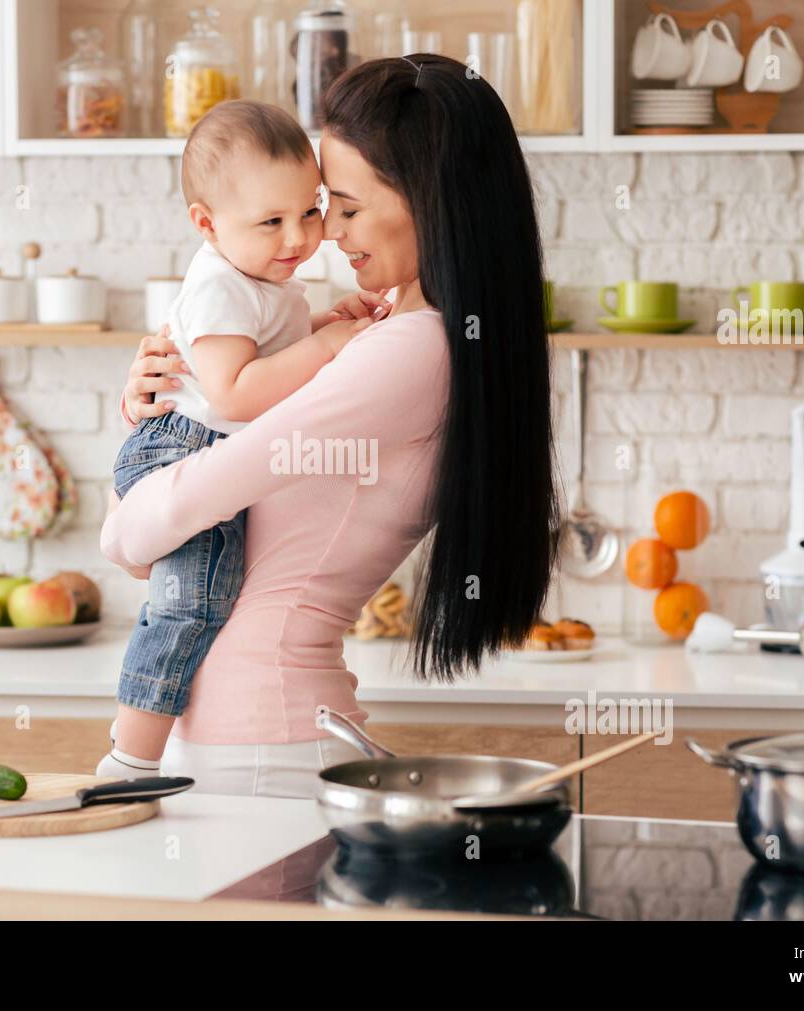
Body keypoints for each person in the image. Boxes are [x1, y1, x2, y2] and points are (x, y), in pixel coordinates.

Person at [101, 55, 558, 797]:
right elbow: (170, 528)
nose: (326, 236)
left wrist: (135, 495)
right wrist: (165, 410)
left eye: (343, 208)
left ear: (429, 200)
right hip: (252, 734)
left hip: (259, 741)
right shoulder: (391, 335)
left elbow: (140, 534)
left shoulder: (408, 352)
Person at [97, 100, 385, 780]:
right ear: (206, 223)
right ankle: (129, 758)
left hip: (199, 445)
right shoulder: (222, 287)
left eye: (311, 211)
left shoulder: (259, 276)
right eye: (271, 222)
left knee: (191, 601)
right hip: (185, 444)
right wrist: (328, 344)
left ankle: (136, 749)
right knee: (187, 608)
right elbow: (234, 393)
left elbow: (267, 352)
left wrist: (323, 323)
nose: (299, 237)